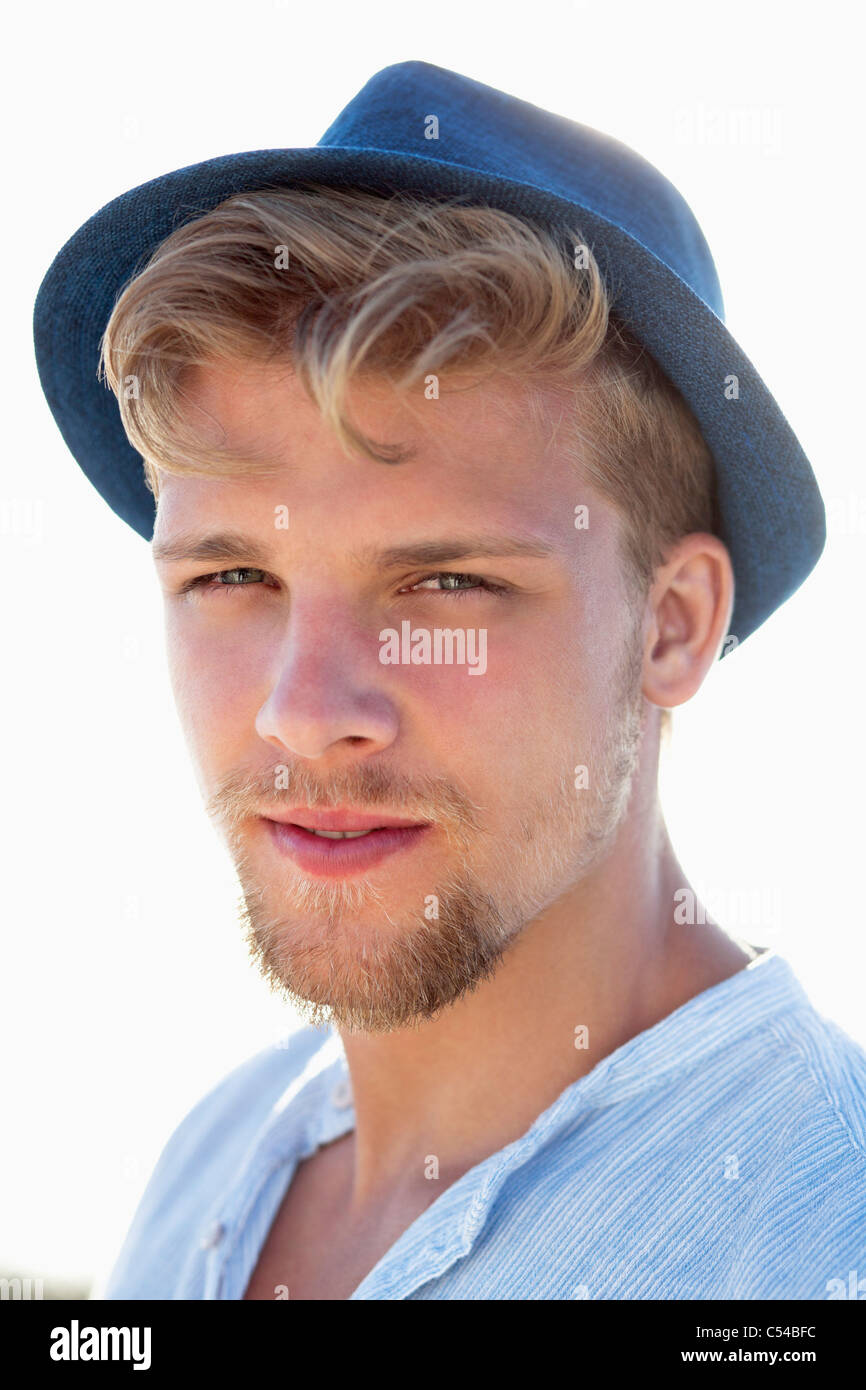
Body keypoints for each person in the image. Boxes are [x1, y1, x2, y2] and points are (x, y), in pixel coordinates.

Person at [34, 61, 865, 1300]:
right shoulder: (215, 1161)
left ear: (672, 627)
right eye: (231, 578)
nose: (304, 710)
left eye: (444, 584)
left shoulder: (810, 1251)